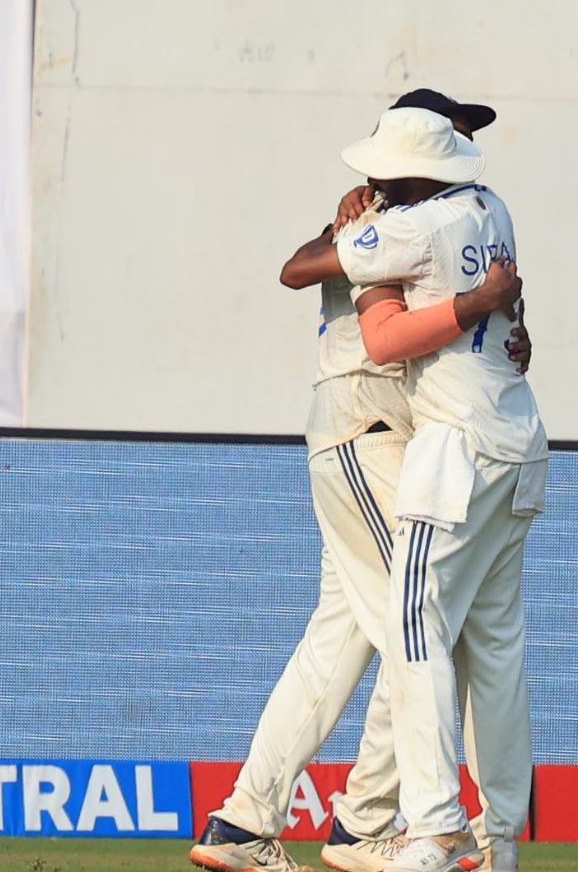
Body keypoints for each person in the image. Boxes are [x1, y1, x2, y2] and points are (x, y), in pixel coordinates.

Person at [190, 92, 529, 872]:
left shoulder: (446, 216)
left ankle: (246, 822)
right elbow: (301, 271)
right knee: (420, 627)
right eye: (456, 132)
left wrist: (509, 325)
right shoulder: (380, 216)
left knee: (343, 639)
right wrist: (346, 223)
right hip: (364, 428)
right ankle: (384, 825)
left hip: (383, 433)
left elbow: (488, 298)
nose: (467, 148)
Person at [279, 105, 545, 872]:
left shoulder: (411, 226)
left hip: (455, 445)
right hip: (520, 441)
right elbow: (514, 312)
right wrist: (494, 309)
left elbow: (310, 281)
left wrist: (351, 223)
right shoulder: (494, 210)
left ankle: (431, 824)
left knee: (413, 623)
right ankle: (501, 842)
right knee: (494, 649)